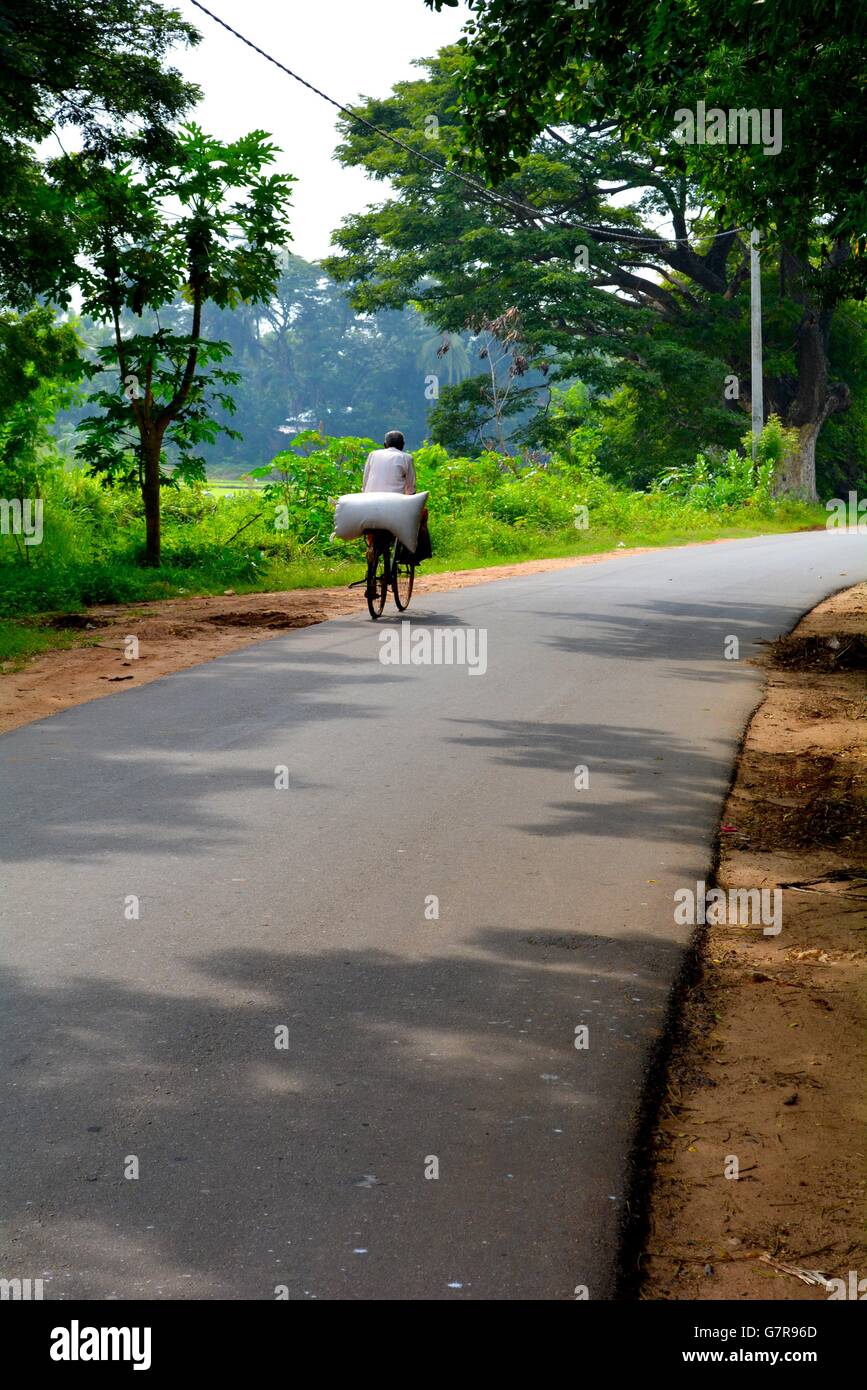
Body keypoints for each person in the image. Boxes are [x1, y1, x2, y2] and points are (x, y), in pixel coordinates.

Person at [361, 430, 431, 565]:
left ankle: (372, 547)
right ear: (403, 445)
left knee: (371, 524)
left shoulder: (373, 455)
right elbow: (410, 490)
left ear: (384, 444)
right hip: (394, 506)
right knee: (422, 514)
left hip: (369, 503)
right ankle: (409, 556)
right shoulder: (407, 458)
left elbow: (365, 484)